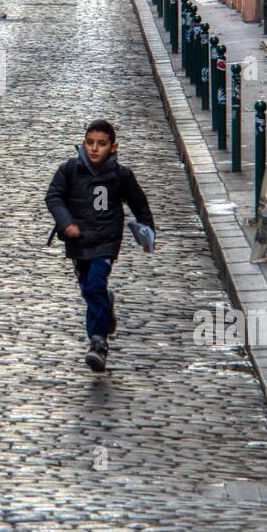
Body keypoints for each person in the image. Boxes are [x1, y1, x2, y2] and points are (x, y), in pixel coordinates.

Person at [45, 119, 155, 373]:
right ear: (84, 143)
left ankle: (98, 343)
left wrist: (147, 233)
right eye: (91, 143)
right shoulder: (70, 170)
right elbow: (53, 196)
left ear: (113, 148)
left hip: (106, 241)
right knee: (89, 289)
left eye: (101, 144)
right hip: (78, 241)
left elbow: (139, 204)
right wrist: (66, 223)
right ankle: (106, 303)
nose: (95, 149)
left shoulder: (120, 176)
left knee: (95, 284)